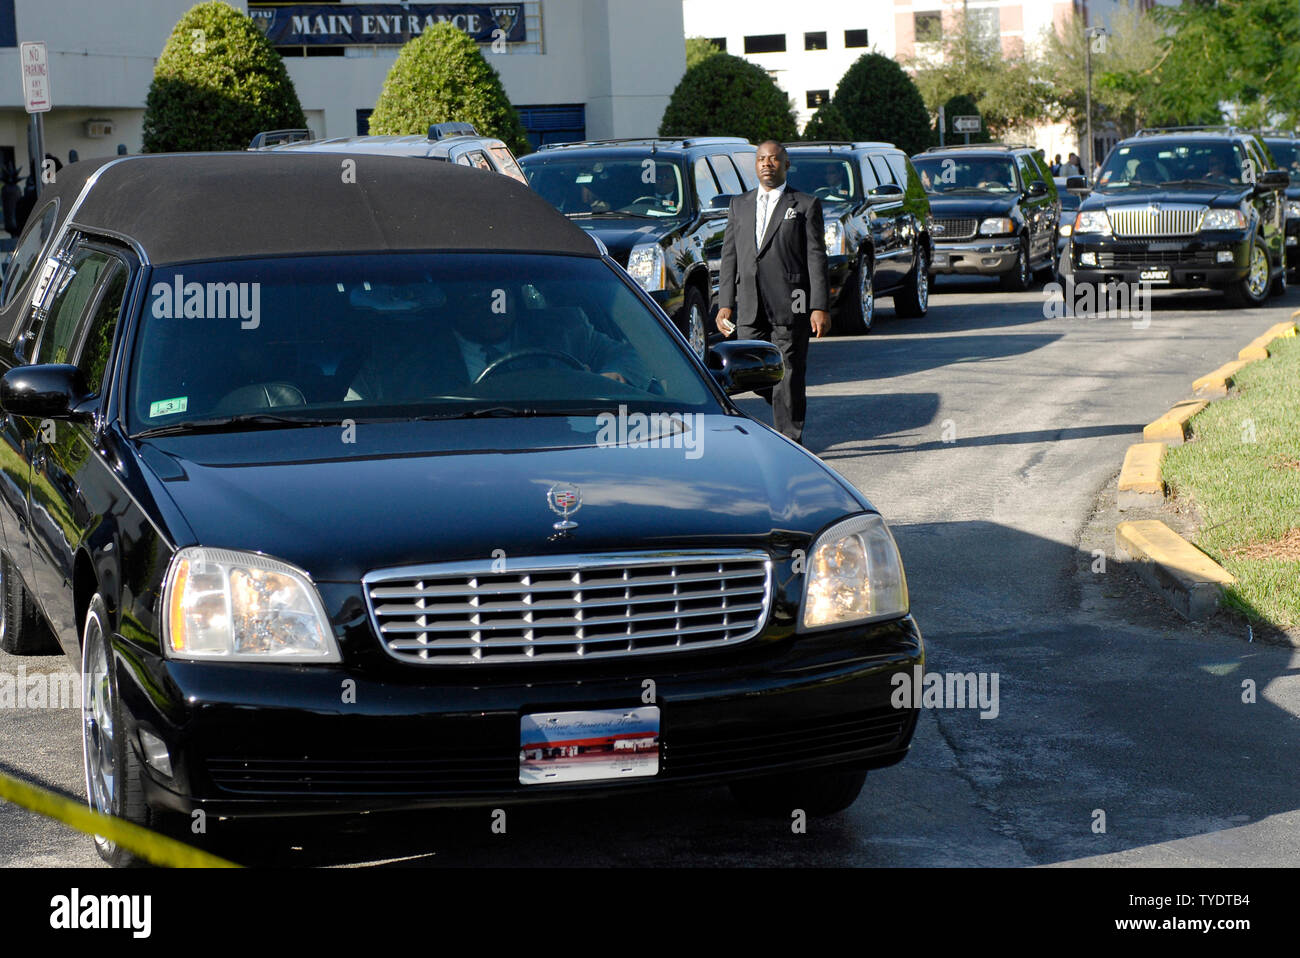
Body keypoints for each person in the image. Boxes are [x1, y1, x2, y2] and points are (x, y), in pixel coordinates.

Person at [715, 140, 830, 445]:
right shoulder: (739, 205)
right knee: (752, 370)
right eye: (762, 159)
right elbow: (729, 258)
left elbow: (816, 257)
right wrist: (724, 304)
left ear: (786, 165)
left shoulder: (805, 205)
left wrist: (819, 306)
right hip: (750, 303)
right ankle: (786, 403)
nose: (767, 164)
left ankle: (790, 440)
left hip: (792, 302)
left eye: (774, 159)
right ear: (756, 165)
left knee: (789, 371)